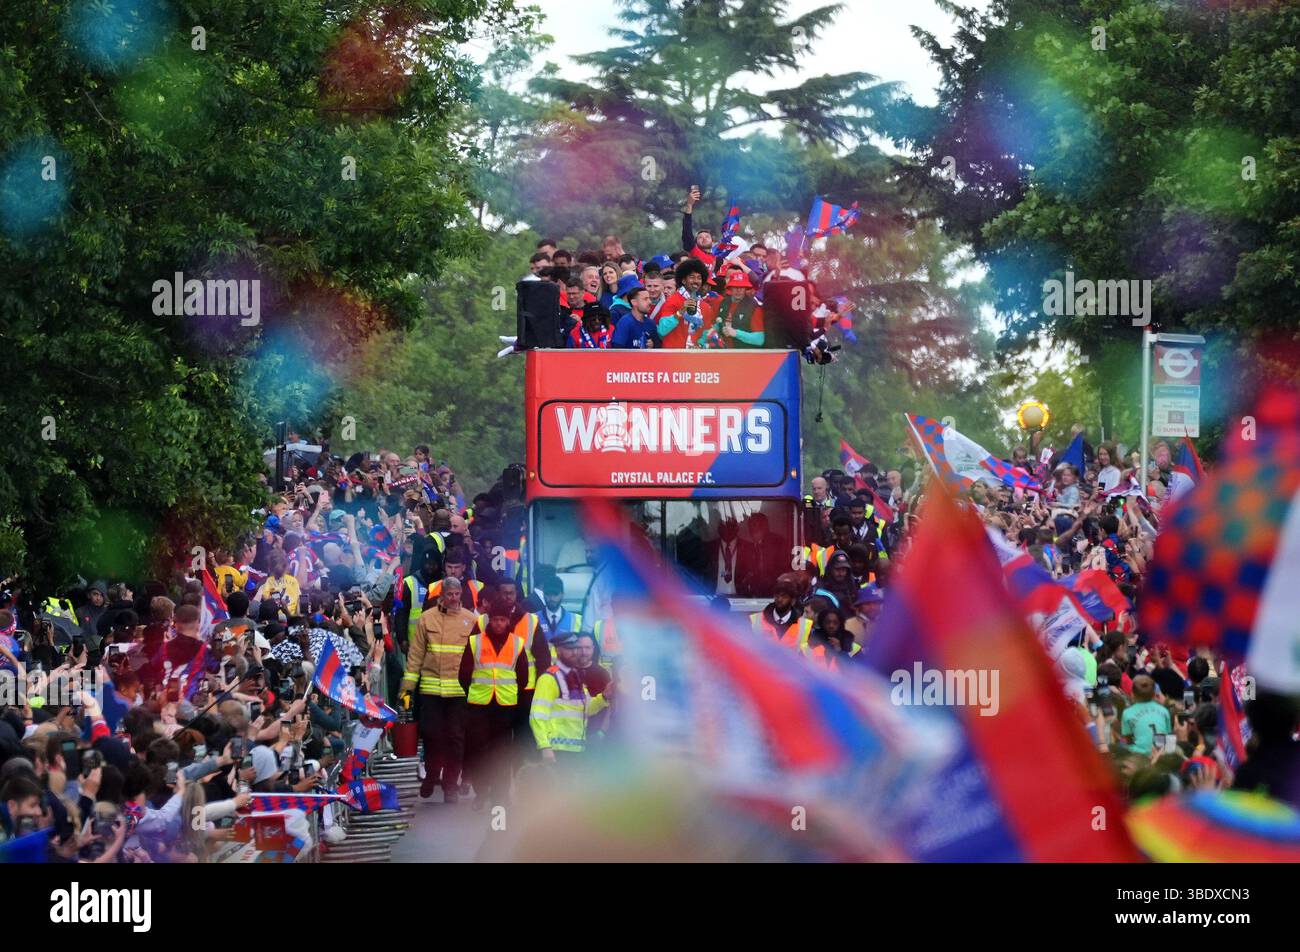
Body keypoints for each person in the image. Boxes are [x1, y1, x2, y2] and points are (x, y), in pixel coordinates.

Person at [402, 576, 477, 801]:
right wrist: (406, 692)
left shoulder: (471, 620)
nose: (454, 599)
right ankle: (433, 772)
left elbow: (476, 659)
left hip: (459, 692)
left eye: (457, 594)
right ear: (441, 595)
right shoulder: (427, 619)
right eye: (449, 595)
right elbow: (415, 657)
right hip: (431, 690)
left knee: (456, 738)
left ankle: (450, 785)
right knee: (432, 735)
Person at [458, 605, 529, 810]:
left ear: (508, 622)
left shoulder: (517, 644)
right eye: (495, 619)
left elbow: (522, 676)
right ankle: (481, 793)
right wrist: (473, 693)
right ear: (489, 620)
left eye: (503, 620)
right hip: (479, 706)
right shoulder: (476, 641)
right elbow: (463, 674)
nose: (499, 623)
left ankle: (500, 795)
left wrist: (512, 695)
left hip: (505, 707)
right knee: (479, 751)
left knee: (502, 752)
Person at [528, 631, 613, 761]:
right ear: (558, 651)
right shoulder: (549, 678)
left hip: (576, 750)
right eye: (569, 649)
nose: (574, 653)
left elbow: (585, 709)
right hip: (557, 751)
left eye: (575, 648)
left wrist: (604, 697)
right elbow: (538, 715)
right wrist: (545, 747)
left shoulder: (575, 676)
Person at [749, 574, 807, 648]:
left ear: (793, 601)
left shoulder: (803, 626)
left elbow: (805, 655)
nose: (779, 599)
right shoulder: (757, 620)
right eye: (777, 595)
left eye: (784, 596)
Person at [1120, 675, 1171, 755]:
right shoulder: (1164, 711)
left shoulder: (1127, 713)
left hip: (1139, 755)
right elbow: (1168, 736)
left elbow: (1126, 740)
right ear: (1154, 694)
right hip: (1161, 754)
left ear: (1132, 694)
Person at [610, 285, 660, 350]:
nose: (650, 302)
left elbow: (658, 348)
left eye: (649, 298)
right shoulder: (625, 322)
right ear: (634, 302)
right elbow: (617, 349)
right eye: (645, 299)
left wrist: (653, 345)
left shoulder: (651, 324)